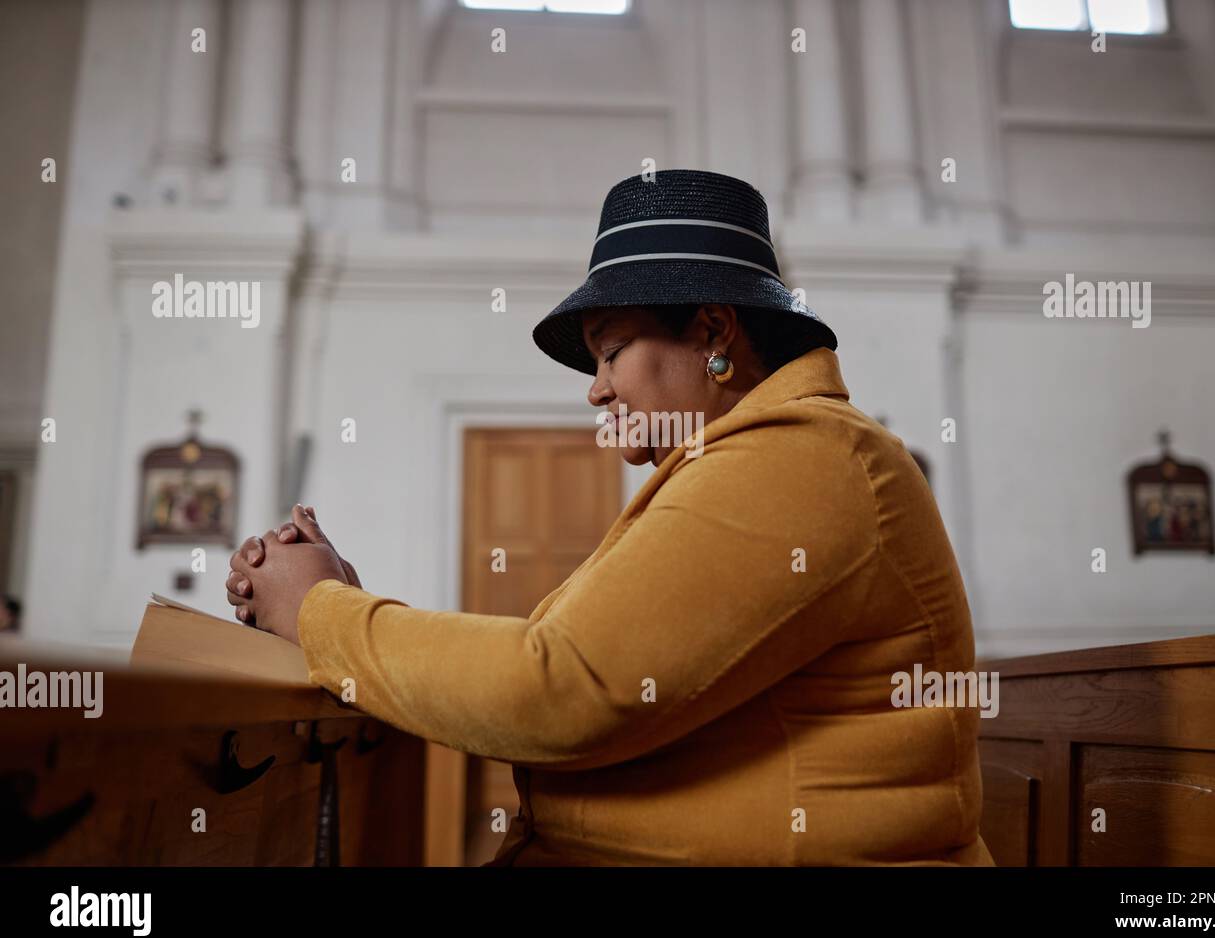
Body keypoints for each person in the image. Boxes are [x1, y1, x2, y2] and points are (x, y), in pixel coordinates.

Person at [226, 170, 994, 866]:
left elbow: (558, 689)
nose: (596, 391)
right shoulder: (744, 460)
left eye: (612, 350)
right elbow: (573, 666)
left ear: (712, 331)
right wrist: (340, 607)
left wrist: (323, 614)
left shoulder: (802, 459)